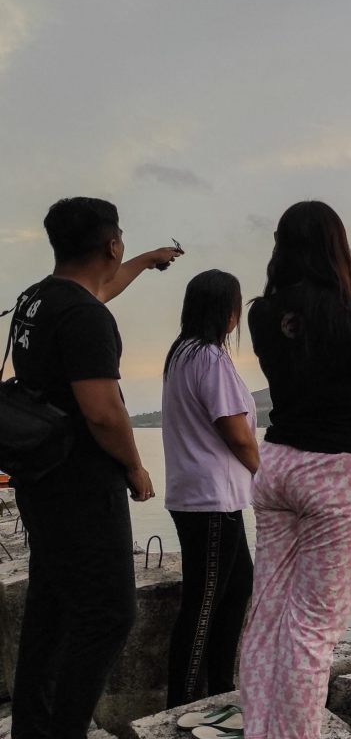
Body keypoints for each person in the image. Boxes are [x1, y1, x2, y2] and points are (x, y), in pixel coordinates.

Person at [239, 200, 351, 739]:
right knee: (313, 629)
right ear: (337, 247)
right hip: (340, 473)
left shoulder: (261, 314)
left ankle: (260, 731)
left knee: (267, 614)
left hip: (277, 464)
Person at [8, 197, 181, 738]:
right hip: (81, 483)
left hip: (40, 476)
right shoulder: (86, 317)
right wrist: (136, 468)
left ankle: (33, 727)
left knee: (53, 601)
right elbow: (104, 413)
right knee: (109, 614)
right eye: (122, 239)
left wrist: (148, 260)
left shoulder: (39, 298)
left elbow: (101, 288)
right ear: (111, 244)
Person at [162, 269, 258, 708]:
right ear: (227, 312)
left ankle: (221, 691)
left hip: (201, 494)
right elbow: (236, 432)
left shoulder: (182, 353)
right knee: (203, 605)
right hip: (210, 498)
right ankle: (181, 706)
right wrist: (265, 474)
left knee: (237, 588)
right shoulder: (210, 358)